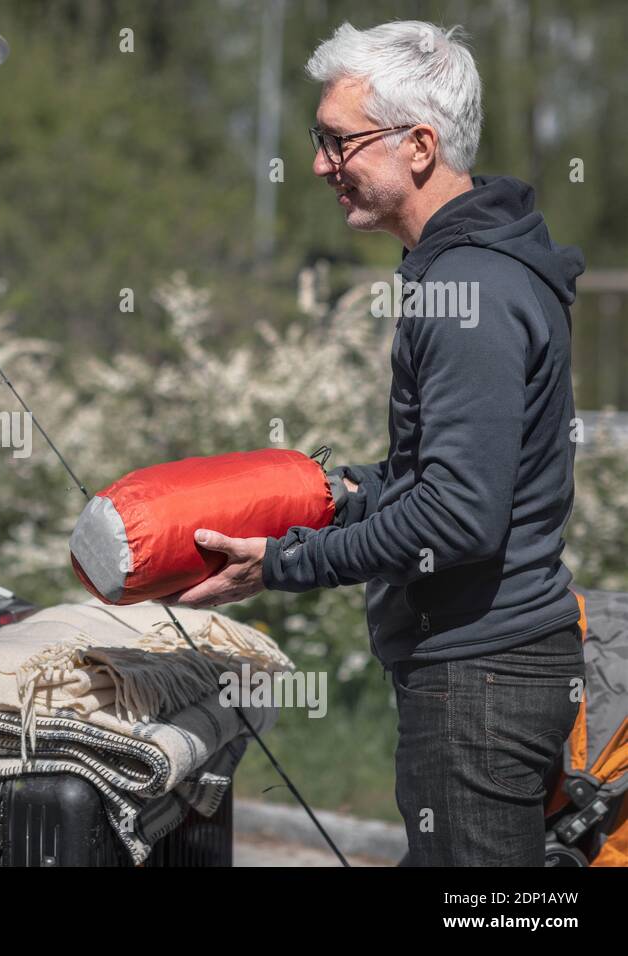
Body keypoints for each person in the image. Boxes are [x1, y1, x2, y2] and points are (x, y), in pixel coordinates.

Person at [166, 21, 585, 866]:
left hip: (481, 684)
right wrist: (341, 492)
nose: (321, 164)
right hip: (486, 676)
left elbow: (459, 517)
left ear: (420, 145)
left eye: (338, 141)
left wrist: (280, 565)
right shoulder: (466, 269)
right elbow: (440, 478)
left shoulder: (470, 289)